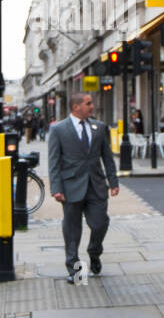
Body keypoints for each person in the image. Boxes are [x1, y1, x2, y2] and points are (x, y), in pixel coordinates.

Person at [47, 92, 119, 282]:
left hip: (96, 185)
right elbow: (53, 161)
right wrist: (56, 187)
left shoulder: (99, 127)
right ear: (76, 107)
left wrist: (113, 182)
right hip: (71, 187)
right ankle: (75, 270)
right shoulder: (59, 130)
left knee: (100, 223)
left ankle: (94, 251)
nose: (92, 106)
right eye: (88, 103)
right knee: (72, 230)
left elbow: (107, 157)